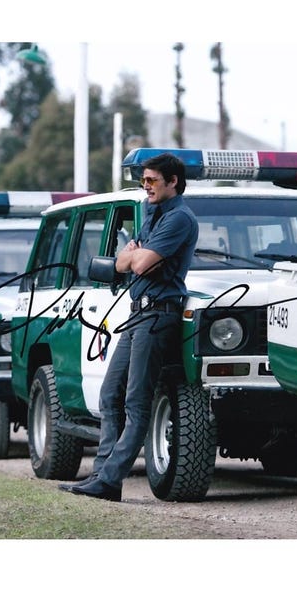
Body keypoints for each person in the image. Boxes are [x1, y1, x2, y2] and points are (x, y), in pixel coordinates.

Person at [60, 152, 198, 501]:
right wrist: (134, 255)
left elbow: (138, 264)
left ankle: (109, 480)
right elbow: (122, 261)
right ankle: (102, 476)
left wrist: (136, 255)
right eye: (143, 180)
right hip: (138, 313)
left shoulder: (179, 218)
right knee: (110, 394)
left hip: (158, 315)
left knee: (136, 403)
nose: (145, 186)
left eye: (152, 180)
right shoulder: (152, 213)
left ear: (173, 182)